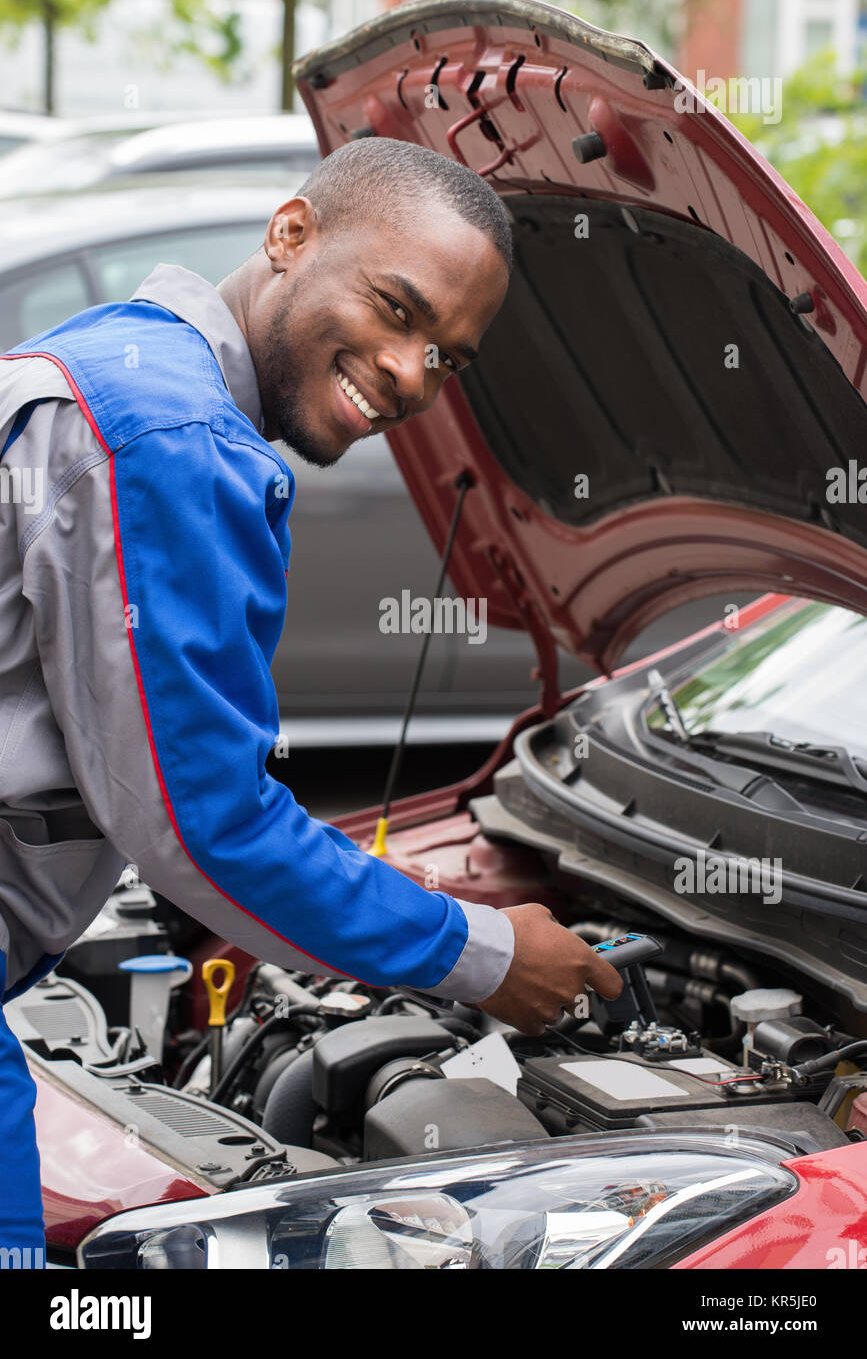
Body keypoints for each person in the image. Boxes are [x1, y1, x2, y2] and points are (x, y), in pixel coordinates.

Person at [0, 138, 622, 1260]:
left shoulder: (112, 363)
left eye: (448, 358)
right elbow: (206, 823)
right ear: (291, 237)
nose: (408, 372)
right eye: (395, 308)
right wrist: (480, 951)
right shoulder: (173, 438)